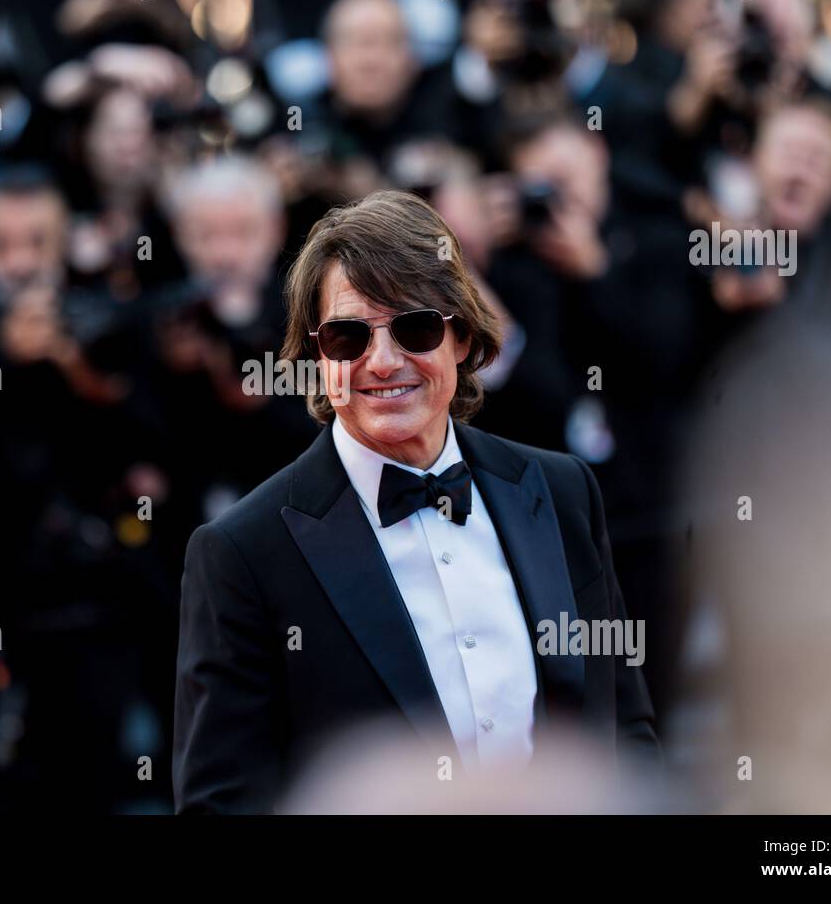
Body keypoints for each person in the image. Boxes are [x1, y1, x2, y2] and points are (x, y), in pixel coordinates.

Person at [173, 189, 658, 813]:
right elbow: (223, 804)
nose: (382, 360)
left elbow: (625, 732)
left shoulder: (561, 491)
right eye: (348, 337)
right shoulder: (242, 552)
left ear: (461, 336)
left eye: (416, 326)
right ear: (319, 357)